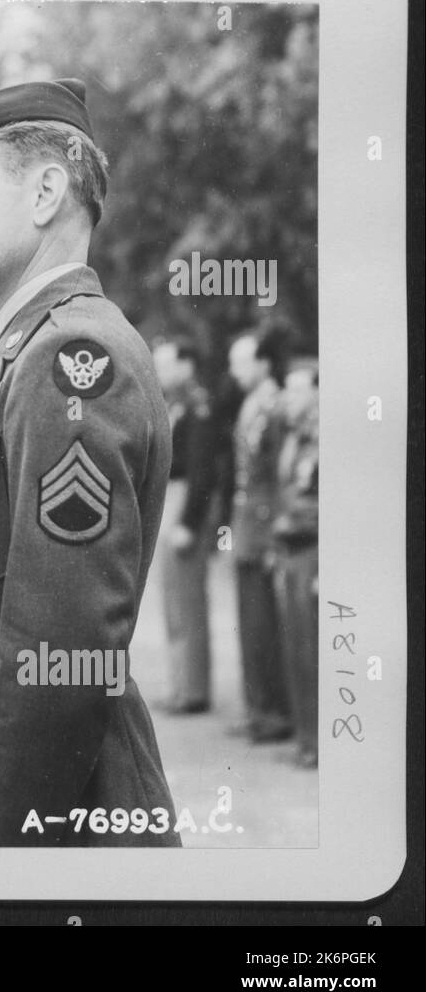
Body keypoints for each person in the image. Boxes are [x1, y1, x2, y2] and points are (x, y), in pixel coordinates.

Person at [0, 79, 180, 847]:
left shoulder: (71, 357)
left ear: (46, 193)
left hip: (43, 829)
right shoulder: (25, 349)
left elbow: (62, 664)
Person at [226, 328, 293, 743]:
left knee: (266, 624)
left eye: (241, 363)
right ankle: (258, 709)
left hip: (264, 526)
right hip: (245, 523)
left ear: (262, 364)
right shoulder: (251, 403)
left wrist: (273, 537)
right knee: (249, 624)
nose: (235, 372)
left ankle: (274, 713)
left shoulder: (276, 407)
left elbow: (279, 475)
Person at [151, 336, 218, 714]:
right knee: (173, 602)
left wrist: (190, 522)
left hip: (186, 506)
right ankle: (180, 685)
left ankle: (193, 690)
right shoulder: (175, 405)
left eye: (166, 364)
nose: (160, 372)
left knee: (188, 603)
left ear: (186, 366)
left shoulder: (198, 406)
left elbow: (203, 472)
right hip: (172, 501)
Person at [271, 358, 319, 768]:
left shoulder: (324, 440)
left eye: (299, 388)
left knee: (314, 651)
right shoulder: (293, 437)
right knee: (296, 648)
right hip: (290, 548)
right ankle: (306, 740)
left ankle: (319, 743)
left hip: (314, 551)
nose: (289, 397)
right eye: (287, 388)